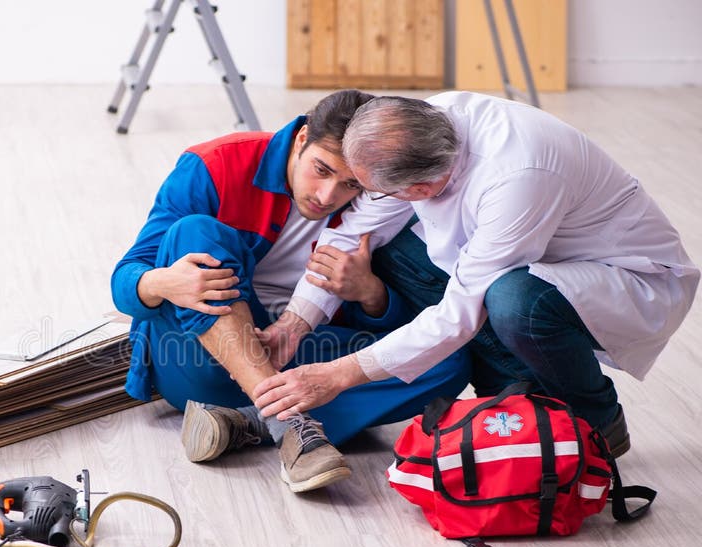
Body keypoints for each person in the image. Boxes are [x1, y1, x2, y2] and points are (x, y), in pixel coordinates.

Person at [253, 91, 700, 458]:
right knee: (391, 248)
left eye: (373, 192)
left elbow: (460, 313)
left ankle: (598, 420)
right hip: (529, 256)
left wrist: (337, 374)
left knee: (514, 301)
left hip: (628, 277)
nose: (356, 199)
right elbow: (355, 232)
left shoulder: (518, 177)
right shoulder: (423, 124)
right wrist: (296, 322)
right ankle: (510, 388)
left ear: (423, 190)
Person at [111, 90, 469, 493]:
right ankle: (288, 424)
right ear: (301, 138)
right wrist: (160, 282)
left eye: (350, 184)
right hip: (199, 356)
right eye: (321, 169)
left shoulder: (376, 199)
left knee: (448, 361)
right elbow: (123, 283)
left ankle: (243, 422)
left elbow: (399, 325)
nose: (327, 196)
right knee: (194, 231)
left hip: (298, 359)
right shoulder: (215, 164)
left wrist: (370, 293)